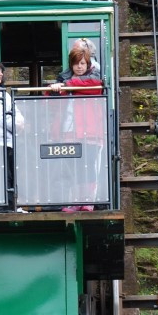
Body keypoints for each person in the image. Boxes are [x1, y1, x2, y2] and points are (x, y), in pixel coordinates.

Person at [48, 43, 105, 211]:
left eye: (82, 64)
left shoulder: (92, 78)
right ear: (71, 64)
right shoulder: (67, 81)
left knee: (88, 164)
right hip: (68, 131)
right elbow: (50, 102)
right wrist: (54, 89)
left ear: (88, 64)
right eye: (76, 63)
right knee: (74, 167)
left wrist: (66, 85)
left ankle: (87, 201)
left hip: (90, 130)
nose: (79, 67)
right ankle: (77, 201)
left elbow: (94, 87)